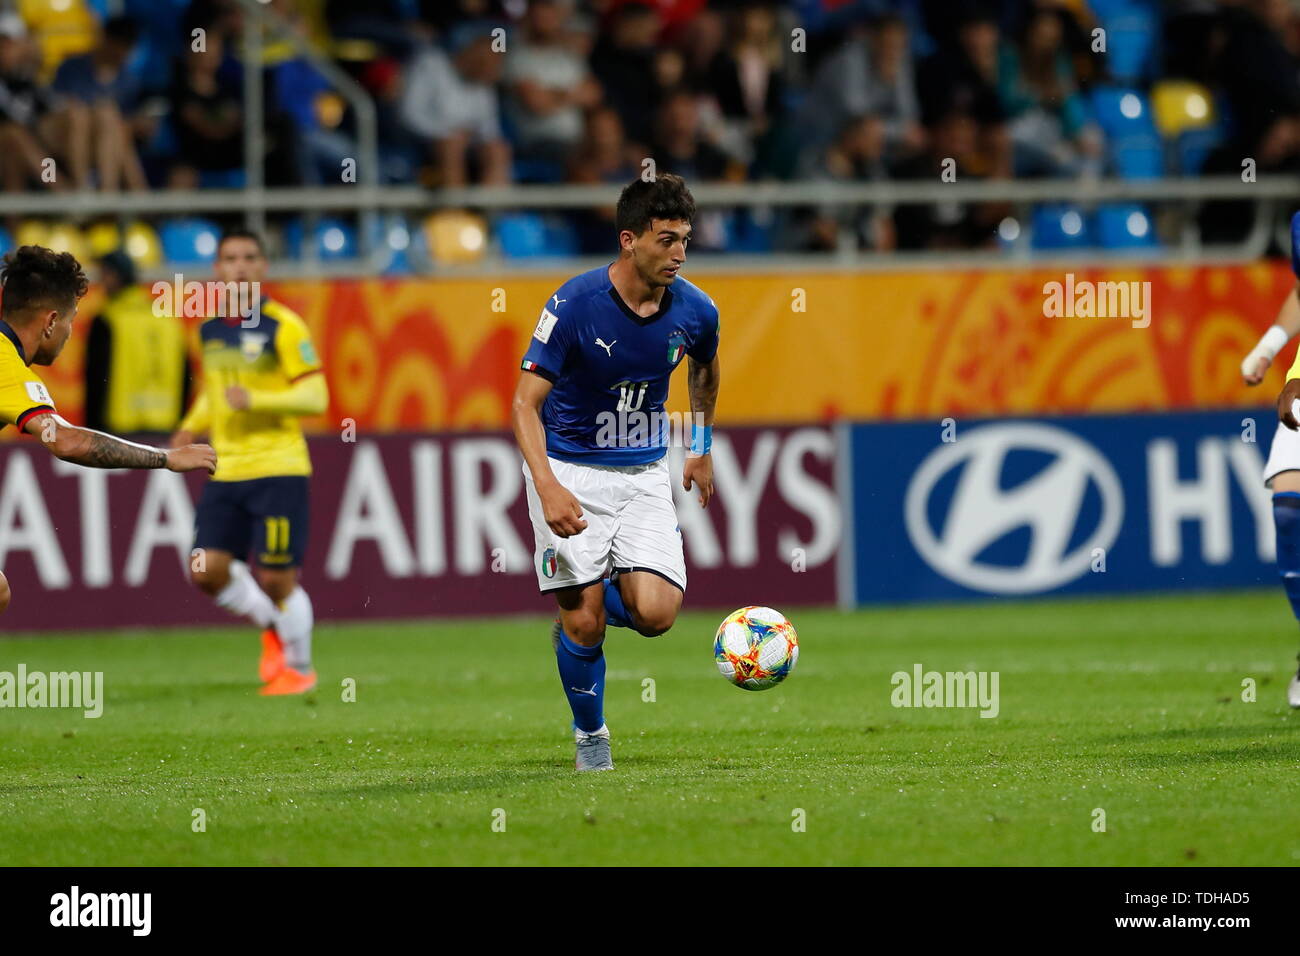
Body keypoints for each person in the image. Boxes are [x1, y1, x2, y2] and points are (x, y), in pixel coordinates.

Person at [511, 174, 721, 771]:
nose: (678, 254)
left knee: (656, 614)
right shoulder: (573, 306)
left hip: (644, 472)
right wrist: (547, 484)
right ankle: (591, 736)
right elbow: (523, 404)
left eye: (685, 239)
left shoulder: (697, 310)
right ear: (629, 240)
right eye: (665, 240)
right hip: (570, 472)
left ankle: (579, 604)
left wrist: (700, 447)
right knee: (583, 620)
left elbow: (704, 371)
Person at [0, 245, 215, 614]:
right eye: (70, 320)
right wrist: (166, 458)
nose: (70, 333)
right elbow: (65, 441)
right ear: (51, 321)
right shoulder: (8, 366)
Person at [171, 230, 328, 695]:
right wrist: (191, 423)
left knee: (277, 578)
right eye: (230, 259)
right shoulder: (210, 329)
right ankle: (270, 625)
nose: (239, 266)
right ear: (217, 270)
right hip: (226, 468)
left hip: (278, 467)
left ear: (262, 268)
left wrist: (256, 398)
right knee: (204, 569)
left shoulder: (284, 326)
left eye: (249, 258)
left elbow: (316, 395)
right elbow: (216, 392)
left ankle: (298, 669)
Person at [83, 249, 189, 436]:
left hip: (119, 428)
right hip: (166, 425)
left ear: (115, 277)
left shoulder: (107, 320)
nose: (101, 283)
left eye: (104, 275)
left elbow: (96, 380)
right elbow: (186, 374)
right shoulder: (168, 319)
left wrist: (93, 431)